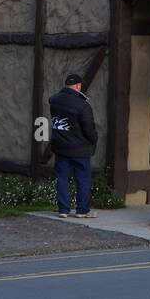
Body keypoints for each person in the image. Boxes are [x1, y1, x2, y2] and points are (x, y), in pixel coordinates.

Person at [49, 73, 99, 217]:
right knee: (82, 179)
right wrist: (94, 139)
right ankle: (82, 210)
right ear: (78, 86)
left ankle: (63, 210)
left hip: (60, 147)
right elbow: (89, 129)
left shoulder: (54, 100)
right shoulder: (83, 106)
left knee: (62, 178)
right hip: (80, 149)